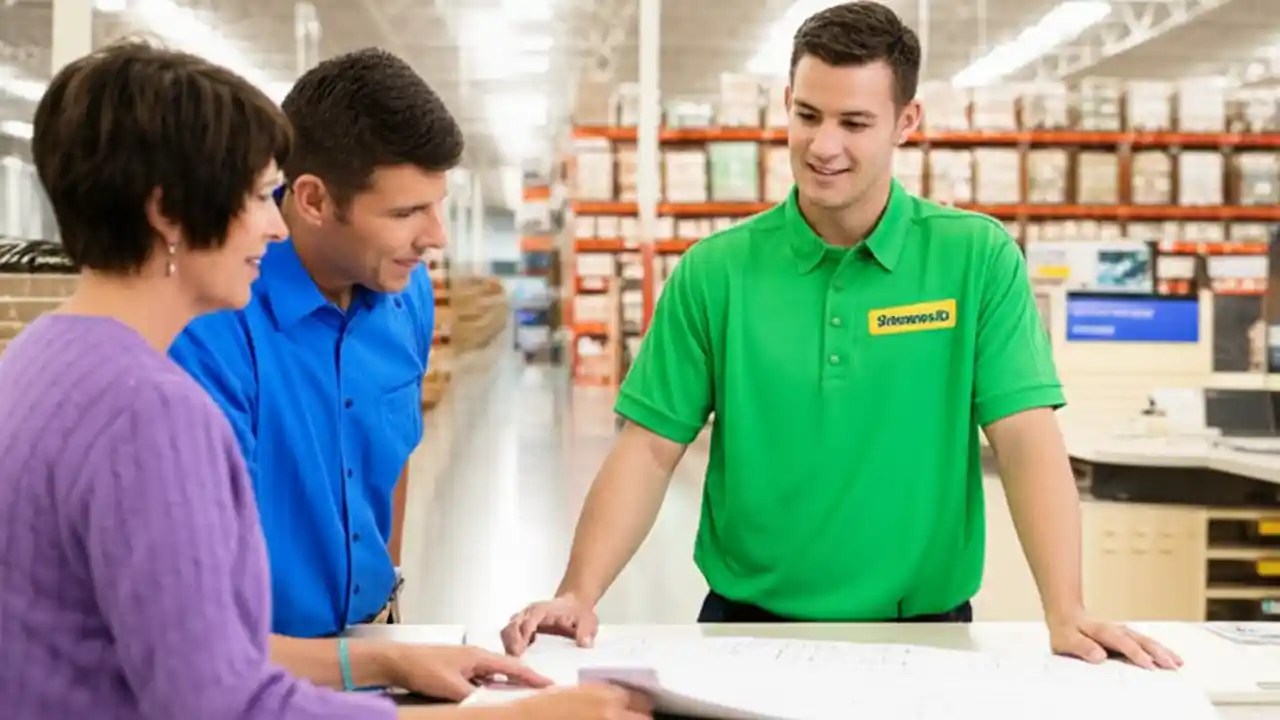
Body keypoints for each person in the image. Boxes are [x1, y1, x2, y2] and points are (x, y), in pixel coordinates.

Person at [501, 1, 1183, 671]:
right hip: (740, 633)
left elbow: (1027, 438)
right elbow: (649, 448)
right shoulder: (717, 272)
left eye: (855, 122)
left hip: (926, 637)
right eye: (807, 116)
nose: (824, 146)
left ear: (906, 121)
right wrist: (577, 592)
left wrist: (1065, 608)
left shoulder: (975, 260)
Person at [0, 40, 649, 720]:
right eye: (255, 196)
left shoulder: (41, 358)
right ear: (167, 213)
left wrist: (385, 650)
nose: (272, 223)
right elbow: (223, 699)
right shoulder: (155, 406)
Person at [168, 47, 480, 690]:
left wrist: (385, 618)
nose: (436, 236)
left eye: (437, 204)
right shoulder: (212, 322)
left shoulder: (406, 294)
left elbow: (388, 455)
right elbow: (186, 613)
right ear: (311, 199)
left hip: (374, 646)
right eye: (404, 213)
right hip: (250, 672)